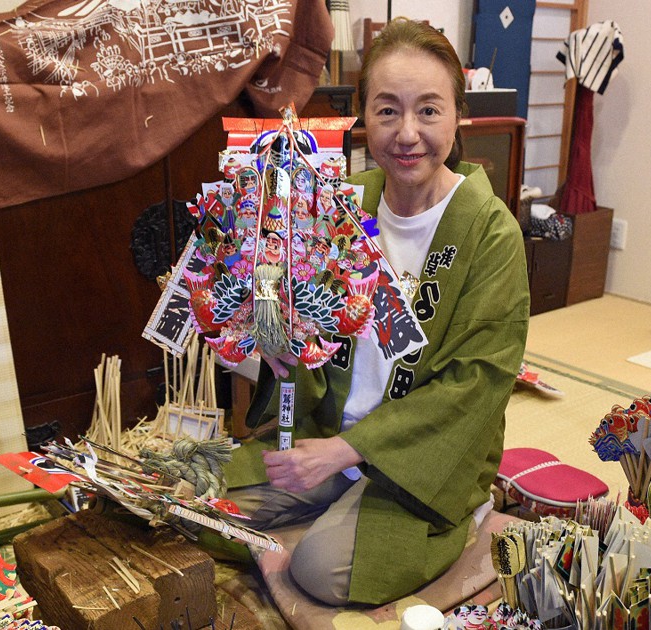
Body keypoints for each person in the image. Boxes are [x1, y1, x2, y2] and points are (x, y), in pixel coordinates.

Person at [224, 18, 530, 606]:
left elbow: (477, 384)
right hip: (327, 427)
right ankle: (334, 498)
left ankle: (467, 516)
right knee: (206, 505)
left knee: (317, 571)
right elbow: (305, 313)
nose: (407, 133)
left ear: (459, 117)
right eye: (388, 111)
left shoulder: (491, 234)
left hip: (419, 460)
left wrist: (348, 451)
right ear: (364, 116)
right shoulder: (345, 202)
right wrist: (276, 335)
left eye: (429, 111)